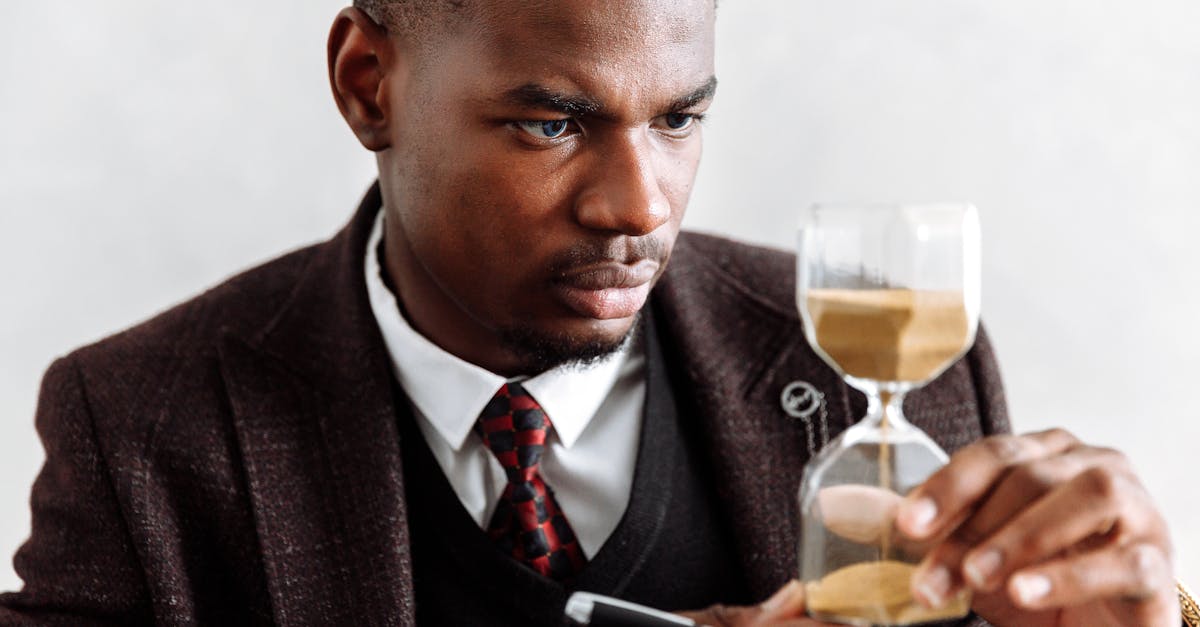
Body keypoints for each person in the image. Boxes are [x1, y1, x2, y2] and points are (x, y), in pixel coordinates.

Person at [0, 1, 1190, 625]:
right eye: (552, 122)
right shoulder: (140, 424)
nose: (639, 206)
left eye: (679, 119)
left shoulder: (891, 359)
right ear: (371, 83)